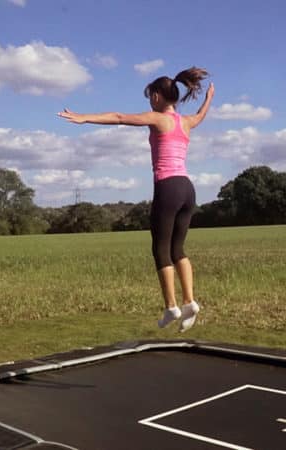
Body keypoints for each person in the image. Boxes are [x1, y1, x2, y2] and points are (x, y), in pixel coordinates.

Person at [57, 67, 214, 332]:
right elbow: (201, 115)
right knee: (178, 250)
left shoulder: (157, 118)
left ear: (156, 96)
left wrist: (84, 118)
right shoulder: (186, 122)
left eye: (150, 96)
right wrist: (209, 98)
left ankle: (172, 307)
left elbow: (119, 117)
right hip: (188, 189)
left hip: (168, 188)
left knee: (160, 250)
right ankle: (190, 301)